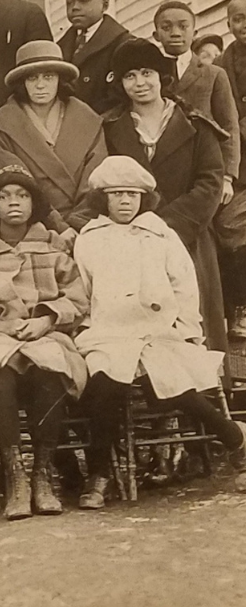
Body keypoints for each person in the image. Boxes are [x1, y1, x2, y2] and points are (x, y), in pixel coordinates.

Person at [73, 156, 246, 509]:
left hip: (158, 332)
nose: (124, 201)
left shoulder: (160, 235)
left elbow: (184, 286)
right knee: (104, 386)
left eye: (132, 194)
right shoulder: (90, 239)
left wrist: (187, 331)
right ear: (102, 199)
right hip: (109, 333)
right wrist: (86, 330)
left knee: (173, 388)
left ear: (144, 198)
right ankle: (100, 473)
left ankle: (236, 441)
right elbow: (83, 291)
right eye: (117, 193)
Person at [0, 166, 88, 520]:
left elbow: (77, 299)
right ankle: (16, 476)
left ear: (34, 203)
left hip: (47, 332)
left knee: (50, 371)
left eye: (22, 195)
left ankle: (42, 474)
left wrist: (45, 319)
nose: (13, 203)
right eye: (4, 197)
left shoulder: (54, 246)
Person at [103, 38, 228, 353]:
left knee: (193, 322)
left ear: (161, 76)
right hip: (129, 240)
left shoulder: (195, 124)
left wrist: (167, 224)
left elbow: (210, 180)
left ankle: (204, 394)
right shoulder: (109, 127)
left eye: (147, 72)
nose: (140, 83)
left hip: (188, 237)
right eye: (129, 76)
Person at [0, 41, 107, 235]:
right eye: (32, 78)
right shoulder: (1, 125)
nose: (40, 85)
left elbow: (97, 179)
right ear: (22, 83)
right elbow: (13, 184)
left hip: (86, 226)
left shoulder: (87, 119)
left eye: (48, 77)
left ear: (60, 80)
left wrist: (78, 225)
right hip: (28, 227)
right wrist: (60, 227)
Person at [152, 1, 239, 205]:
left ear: (194, 32)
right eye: (166, 27)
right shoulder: (149, 75)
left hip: (204, 169)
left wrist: (227, 177)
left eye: (183, 27)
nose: (175, 33)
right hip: (162, 170)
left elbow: (229, 125)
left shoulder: (213, 74)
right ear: (156, 35)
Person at [56, 0, 130, 115]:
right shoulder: (59, 48)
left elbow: (121, 97)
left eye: (83, 0)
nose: (75, 7)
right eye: (69, 3)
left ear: (105, 5)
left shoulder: (123, 44)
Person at [216, 0, 246, 333]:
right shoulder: (219, 67)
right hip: (239, 166)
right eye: (238, 18)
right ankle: (240, 305)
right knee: (231, 230)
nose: (245, 25)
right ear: (228, 24)